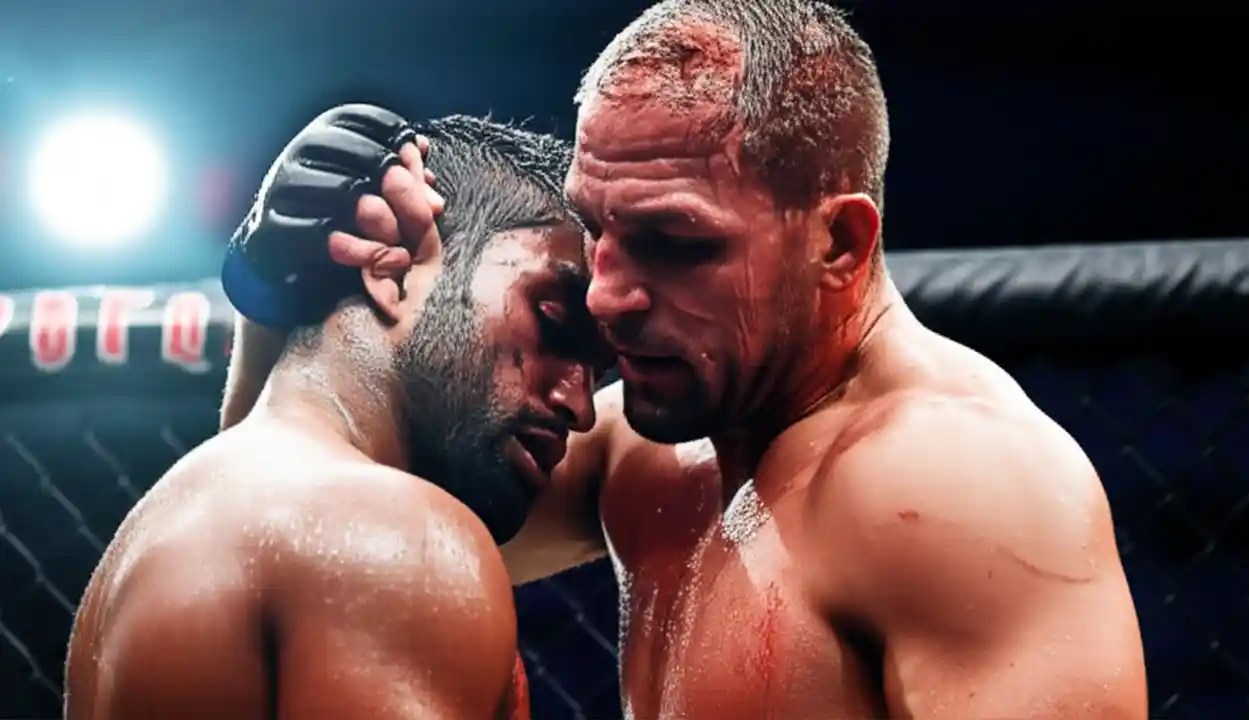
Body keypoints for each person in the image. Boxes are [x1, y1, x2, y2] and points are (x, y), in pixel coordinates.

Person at [224, 1, 1149, 717]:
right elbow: (296, 536)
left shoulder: (959, 486)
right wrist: (285, 288)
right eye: (595, 231)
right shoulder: (645, 454)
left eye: (673, 241)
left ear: (839, 243)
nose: (605, 294)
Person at [65, 112, 609, 720]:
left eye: (598, 370)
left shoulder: (156, 537)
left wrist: (274, 305)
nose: (579, 405)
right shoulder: (398, 534)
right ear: (392, 267)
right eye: (555, 323)